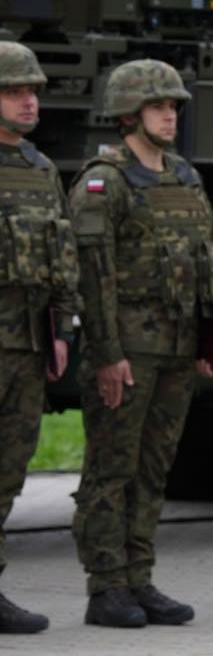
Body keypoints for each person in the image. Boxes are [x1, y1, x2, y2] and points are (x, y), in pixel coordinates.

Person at [70, 60, 213, 627]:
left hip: (177, 352)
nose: (170, 116)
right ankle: (106, 585)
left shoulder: (183, 176)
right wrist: (107, 355)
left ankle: (139, 577)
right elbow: (93, 280)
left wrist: (209, 341)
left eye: (173, 107)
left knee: (153, 469)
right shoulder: (104, 182)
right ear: (129, 113)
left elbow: (207, 261)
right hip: (128, 354)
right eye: (158, 106)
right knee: (112, 470)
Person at [0, 42, 80, 635]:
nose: (29, 101)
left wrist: (61, 329)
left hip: (26, 345)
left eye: (33, 91)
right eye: (14, 91)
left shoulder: (41, 168)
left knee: (8, 471)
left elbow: (61, 255)